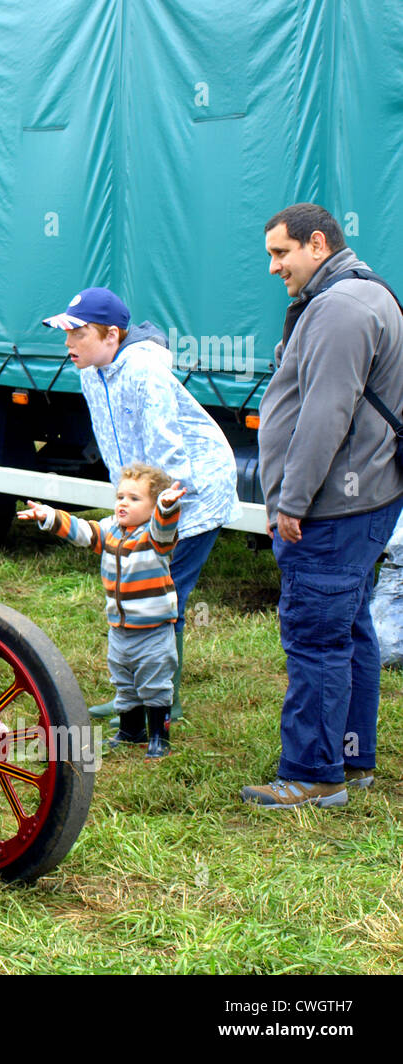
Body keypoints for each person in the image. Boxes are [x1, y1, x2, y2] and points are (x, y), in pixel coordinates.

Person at [242, 202, 403, 809]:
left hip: (334, 509)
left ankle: (312, 773)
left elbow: (324, 415)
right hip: (359, 502)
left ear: (317, 243)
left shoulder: (339, 307)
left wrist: (291, 500)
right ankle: (352, 757)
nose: (275, 267)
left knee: (315, 637)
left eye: (281, 254)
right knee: (350, 628)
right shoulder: (362, 294)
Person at [42, 287, 242, 722]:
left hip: (193, 487)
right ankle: (131, 697)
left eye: (77, 334)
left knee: (162, 595)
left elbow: (167, 452)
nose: (68, 344)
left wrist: (156, 512)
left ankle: (162, 704)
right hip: (148, 494)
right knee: (135, 592)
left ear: (111, 335)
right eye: (67, 334)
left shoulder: (144, 370)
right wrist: (127, 504)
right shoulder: (92, 372)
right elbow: (118, 448)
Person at [18, 464, 185, 758]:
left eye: (135, 499)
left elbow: (164, 524)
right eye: (121, 497)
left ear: (151, 506)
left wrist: (167, 507)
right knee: (124, 679)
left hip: (153, 631)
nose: (124, 503)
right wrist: (50, 516)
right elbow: (82, 531)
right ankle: (131, 730)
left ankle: (159, 736)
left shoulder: (155, 538)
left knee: (154, 681)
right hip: (120, 629)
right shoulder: (110, 530)